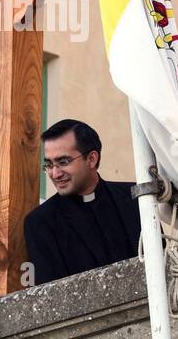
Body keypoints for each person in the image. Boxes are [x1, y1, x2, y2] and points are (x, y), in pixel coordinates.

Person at [24, 119, 141, 286]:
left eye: (63, 162)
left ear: (92, 159)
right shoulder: (39, 223)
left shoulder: (136, 198)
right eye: (49, 164)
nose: (55, 174)